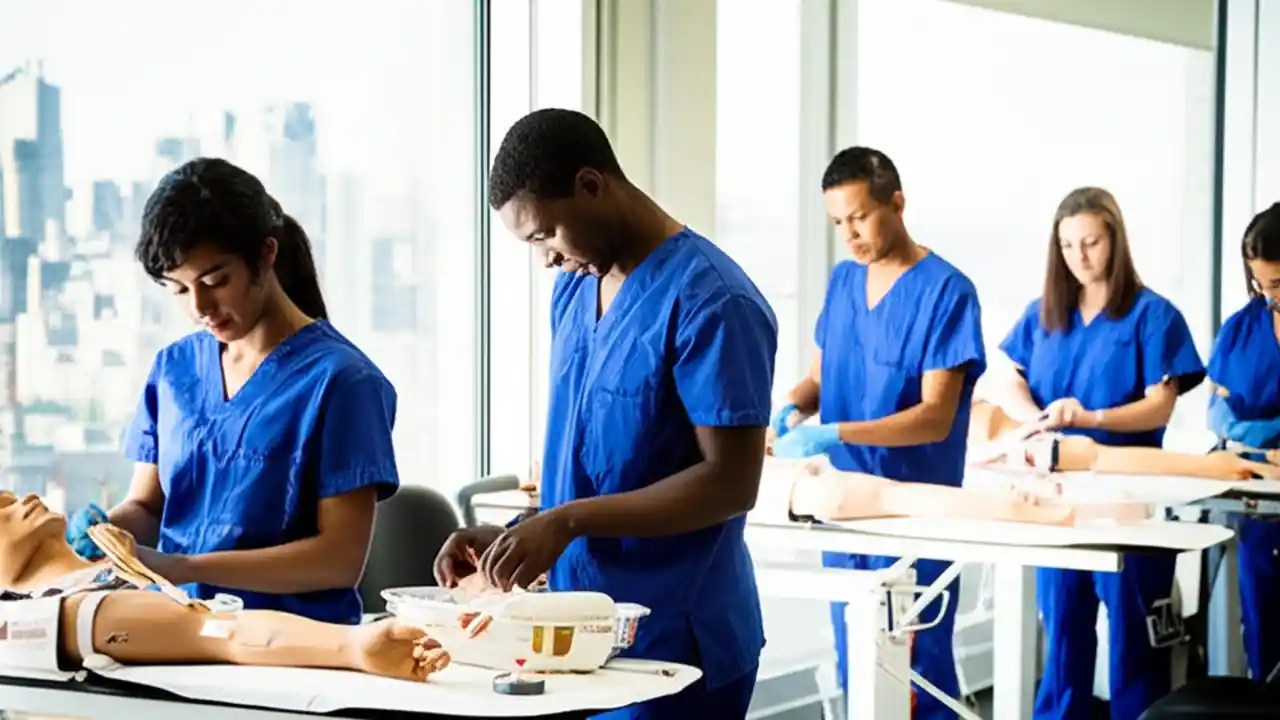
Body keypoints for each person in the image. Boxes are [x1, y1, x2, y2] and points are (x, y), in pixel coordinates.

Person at [433, 108, 777, 719]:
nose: (544, 259)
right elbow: (597, 459)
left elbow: (732, 481)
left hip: (675, 644)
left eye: (545, 235)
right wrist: (519, 538)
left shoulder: (713, 300)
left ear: (592, 186)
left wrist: (565, 523)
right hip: (579, 635)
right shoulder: (575, 287)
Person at [63, 158, 400, 625]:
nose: (200, 307)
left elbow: (338, 560)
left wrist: (182, 568)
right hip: (175, 635)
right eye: (178, 290)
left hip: (294, 652)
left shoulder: (343, 383)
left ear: (265, 255)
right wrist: (111, 532)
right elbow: (149, 505)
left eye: (215, 281)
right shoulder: (174, 369)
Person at [768, 146, 986, 717]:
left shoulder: (946, 292)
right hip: (844, 510)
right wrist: (790, 407)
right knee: (856, 666)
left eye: (859, 217)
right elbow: (822, 374)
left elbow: (936, 415)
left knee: (918, 673)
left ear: (897, 202)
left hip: (914, 515)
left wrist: (836, 433)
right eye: (838, 222)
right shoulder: (844, 283)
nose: (850, 234)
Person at [990, 187, 1205, 720]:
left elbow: (1159, 407)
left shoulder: (1153, 315)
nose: (1079, 257)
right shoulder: (1044, 314)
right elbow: (1007, 377)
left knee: (1135, 645)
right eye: (1067, 246)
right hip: (1057, 505)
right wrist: (1028, 416)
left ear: (1115, 240)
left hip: (1129, 504)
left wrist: (1090, 419)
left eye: (1090, 243)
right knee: (1063, 641)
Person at [0, 491, 449, 681]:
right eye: (1, 509)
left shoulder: (104, 579)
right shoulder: (65, 614)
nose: (22, 499)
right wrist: (353, 647)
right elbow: (222, 632)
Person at [1205, 202, 1280, 683]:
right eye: (1262, 284)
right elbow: (1220, 415)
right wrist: (1270, 444)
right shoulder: (1241, 330)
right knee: (1263, 628)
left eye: (1278, 283)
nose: (1269, 295)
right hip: (1259, 502)